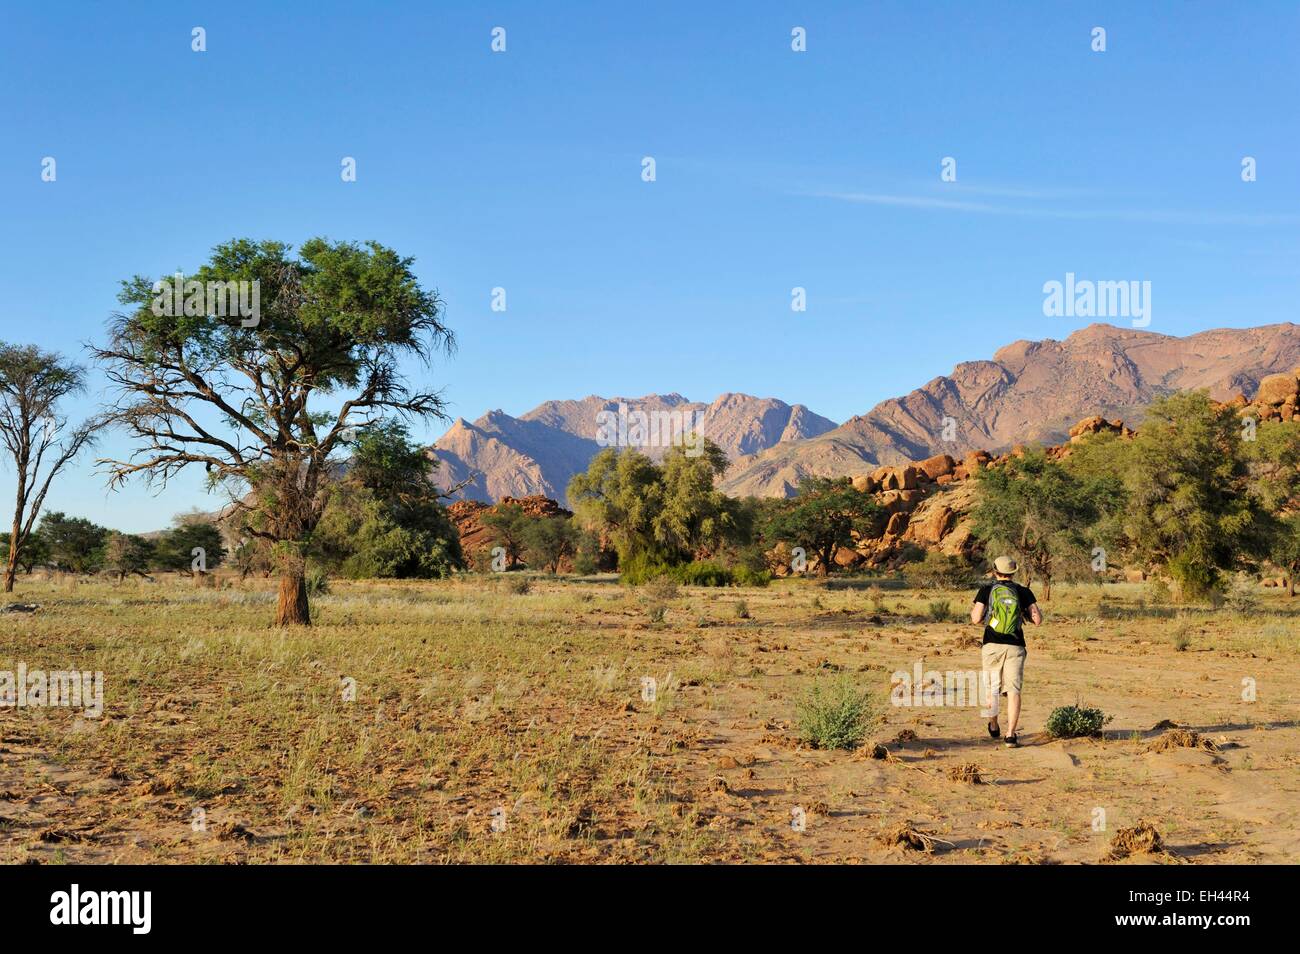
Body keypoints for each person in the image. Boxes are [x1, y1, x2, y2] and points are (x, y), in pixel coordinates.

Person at [969, 555, 1041, 747]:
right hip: (1016, 645)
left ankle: (993, 724)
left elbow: (976, 619)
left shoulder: (986, 590)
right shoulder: (1023, 592)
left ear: (995, 571)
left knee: (992, 689)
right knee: (1014, 691)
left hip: (991, 645)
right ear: (1013, 572)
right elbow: (1037, 620)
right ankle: (1010, 735)